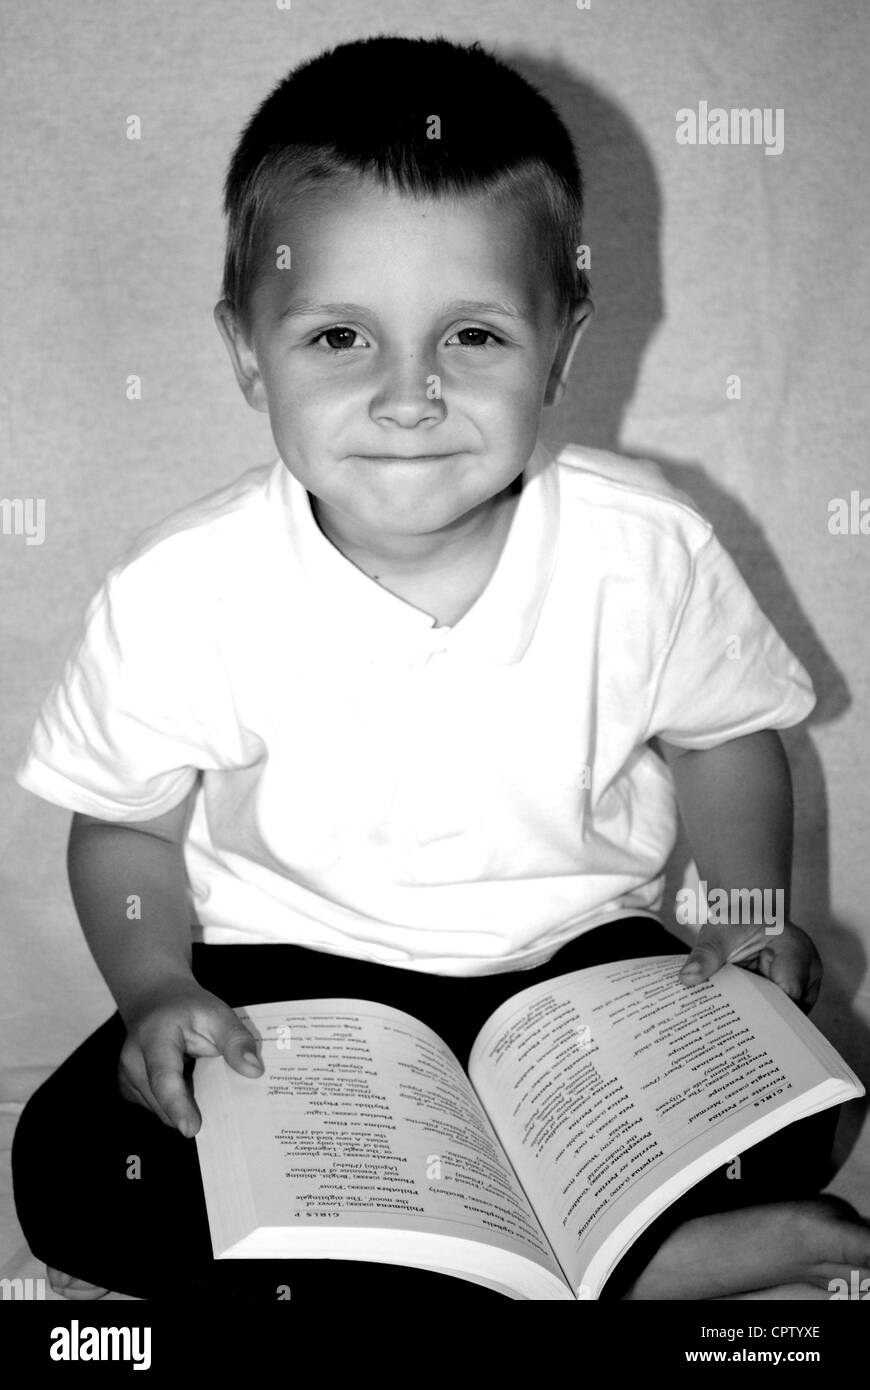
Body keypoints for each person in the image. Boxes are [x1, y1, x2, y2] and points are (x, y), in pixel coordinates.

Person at [12, 34, 869, 1302]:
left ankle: (470, 1266)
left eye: (471, 335)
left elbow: (725, 737)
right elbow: (126, 826)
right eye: (339, 338)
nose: (408, 396)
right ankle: (634, 1266)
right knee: (73, 1166)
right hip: (290, 987)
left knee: (797, 1091)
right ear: (248, 350)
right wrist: (155, 986)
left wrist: (744, 916)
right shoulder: (181, 588)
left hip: (583, 967)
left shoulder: (647, 547)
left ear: (563, 346)